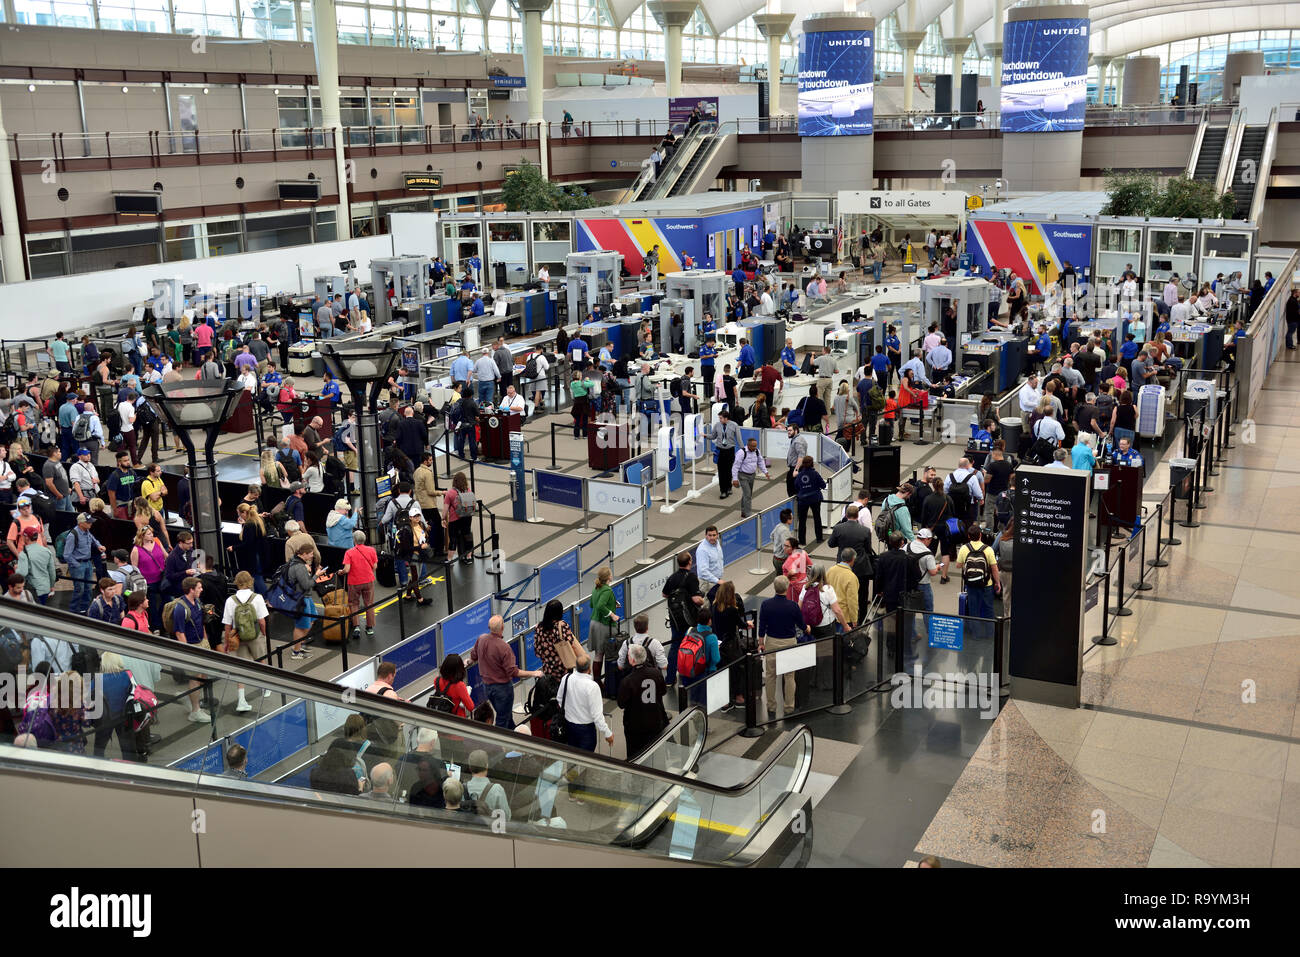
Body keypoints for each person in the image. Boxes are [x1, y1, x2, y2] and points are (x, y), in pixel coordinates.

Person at [469, 615, 542, 728]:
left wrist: (469, 661)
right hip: (503, 690)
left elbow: (474, 655)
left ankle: (514, 733)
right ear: (502, 627)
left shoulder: (481, 638)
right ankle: (502, 743)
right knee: (502, 720)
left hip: (487, 687)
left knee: (506, 715)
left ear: (489, 627)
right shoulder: (504, 647)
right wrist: (534, 673)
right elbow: (514, 672)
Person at [221, 570, 270, 711]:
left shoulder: (230, 600)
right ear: (250, 581)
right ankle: (265, 688)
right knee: (261, 661)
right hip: (255, 635)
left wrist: (227, 642)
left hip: (238, 637)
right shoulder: (257, 598)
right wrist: (263, 634)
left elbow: (227, 624)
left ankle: (241, 700)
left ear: (237, 582)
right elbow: (262, 621)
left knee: (241, 667)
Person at [757, 576, 803, 719]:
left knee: (770, 675)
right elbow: (801, 624)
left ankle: (771, 707)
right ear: (787, 587)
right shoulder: (793, 606)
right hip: (789, 642)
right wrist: (807, 628)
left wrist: (761, 642)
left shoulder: (766, 604)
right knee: (789, 676)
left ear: (774, 587)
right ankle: (789, 707)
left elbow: (762, 625)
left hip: (771, 641)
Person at [661, 550, 705, 687]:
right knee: (692, 645)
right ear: (690, 562)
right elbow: (696, 599)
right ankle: (690, 675)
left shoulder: (672, 577)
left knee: (675, 647)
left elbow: (664, 594)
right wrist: (703, 601)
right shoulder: (691, 577)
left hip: (675, 619)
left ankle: (669, 679)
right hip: (689, 619)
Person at [618, 643, 668, 760]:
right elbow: (663, 691)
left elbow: (621, 704)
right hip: (655, 720)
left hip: (635, 725)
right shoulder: (656, 673)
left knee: (635, 755)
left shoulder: (627, 681)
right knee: (655, 752)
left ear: (631, 660)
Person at [955, 524, 1000, 639]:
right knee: (988, 609)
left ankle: (976, 634)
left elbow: (958, 565)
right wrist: (997, 583)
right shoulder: (988, 549)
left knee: (973, 609)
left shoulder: (965, 548)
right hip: (986, 584)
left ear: (969, 536)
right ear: (981, 535)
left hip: (971, 584)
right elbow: (994, 568)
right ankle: (990, 634)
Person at [558, 658, 613, 753]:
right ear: (589, 669)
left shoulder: (566, 678)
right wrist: (607, 733)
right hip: (586, 730)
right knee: (586, 758)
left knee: (572, 756)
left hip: (569, 725)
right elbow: (597, 715)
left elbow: (559, 699)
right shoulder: (592, 686)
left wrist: (571, 711)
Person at [587, 565, 620, 693]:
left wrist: (612, 604)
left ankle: (597, 680)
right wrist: (612, 614)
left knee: (597, 654)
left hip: (594, 623)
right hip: (603, 625)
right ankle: (600, 682)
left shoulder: (597, 588)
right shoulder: (607, 590)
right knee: (605, 654)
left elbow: (592, 604)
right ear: (609, 577)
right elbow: (600, 605)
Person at [731, 436, 769, 518]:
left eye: (756, 446)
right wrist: (734, 479)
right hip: (743, 476)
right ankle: (748, 515)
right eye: (753, 446)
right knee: (747, 494)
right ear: (748, 445)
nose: (755, 448)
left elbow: (760, 461)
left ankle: (743, 511)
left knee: (747, 494)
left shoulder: (757, 451)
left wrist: (765, 472)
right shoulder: (741, 453)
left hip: (752, 475)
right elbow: (735, 466)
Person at [794, 455, 826, 545]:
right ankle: (819, 538)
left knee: (802, 520)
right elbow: (823, 485)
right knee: (817, 518)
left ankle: (802, 541)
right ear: (812, 463)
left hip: (803, 500)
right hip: (815, 498)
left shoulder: (799, 475)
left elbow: (796, 486)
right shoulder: (815, 474)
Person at [710, 409, 741, 500]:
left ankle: (728, 486)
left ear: (726, 418)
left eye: (721, 418)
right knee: (721, 471)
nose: (719, 420)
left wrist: (743, 449)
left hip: (730, 451)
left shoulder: (734, 425)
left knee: (729, 470)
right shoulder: (717, 425)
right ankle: (723, 490)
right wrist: (704, 435)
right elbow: (713, 436)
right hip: (720, 451)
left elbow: (739, 439)